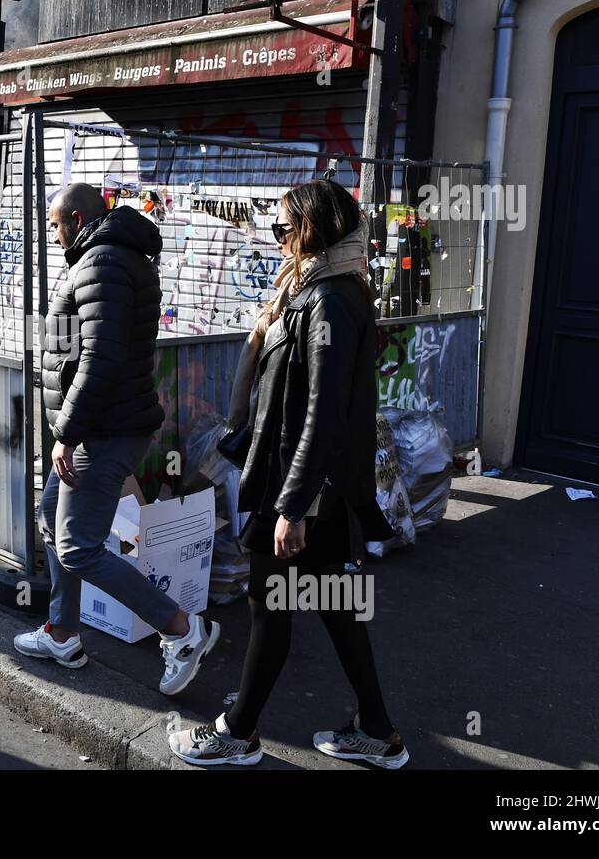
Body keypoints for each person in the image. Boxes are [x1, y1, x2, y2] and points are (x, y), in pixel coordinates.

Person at [167, 180, 406, 769]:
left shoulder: (327, 299)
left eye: (282, 229)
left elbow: (325, 412)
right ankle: (378, 732)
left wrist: (294, 506)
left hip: (302, 487)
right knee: (335, 604)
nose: (276, 241)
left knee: (270, 603)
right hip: (310, 482)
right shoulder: (321, 290)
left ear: (312, 230)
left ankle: (238, 732)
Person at [13, 182, 221, 696]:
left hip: (98, 433)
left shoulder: (102, 262)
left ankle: (181, 628)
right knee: (49, 519)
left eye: (57, 224)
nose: (54, 234)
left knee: (79, 547)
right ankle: (62, 632)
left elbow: (98, 361)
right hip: (98, 427)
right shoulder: (111, 258)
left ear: (78, 219)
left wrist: (66, 434)